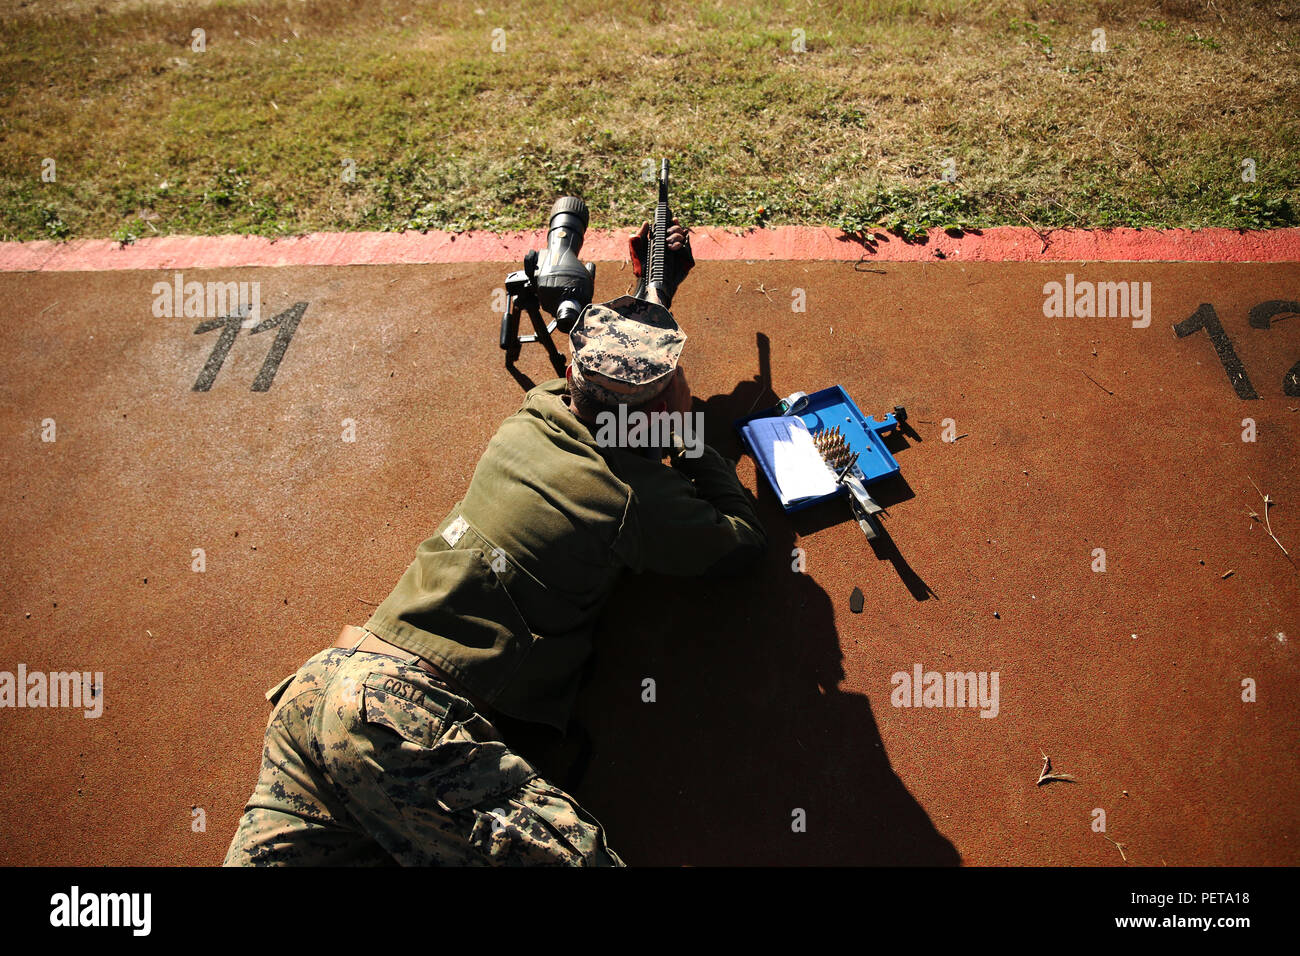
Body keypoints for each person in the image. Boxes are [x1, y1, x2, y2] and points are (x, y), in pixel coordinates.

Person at [224, 217, 767, 866]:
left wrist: (653, 295)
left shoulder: (535, 411)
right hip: (402, 722)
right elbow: (740, 542)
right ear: (654, 417)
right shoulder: (633, 501)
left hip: (325, 692)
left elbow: (611, 380)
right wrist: (693, 433)